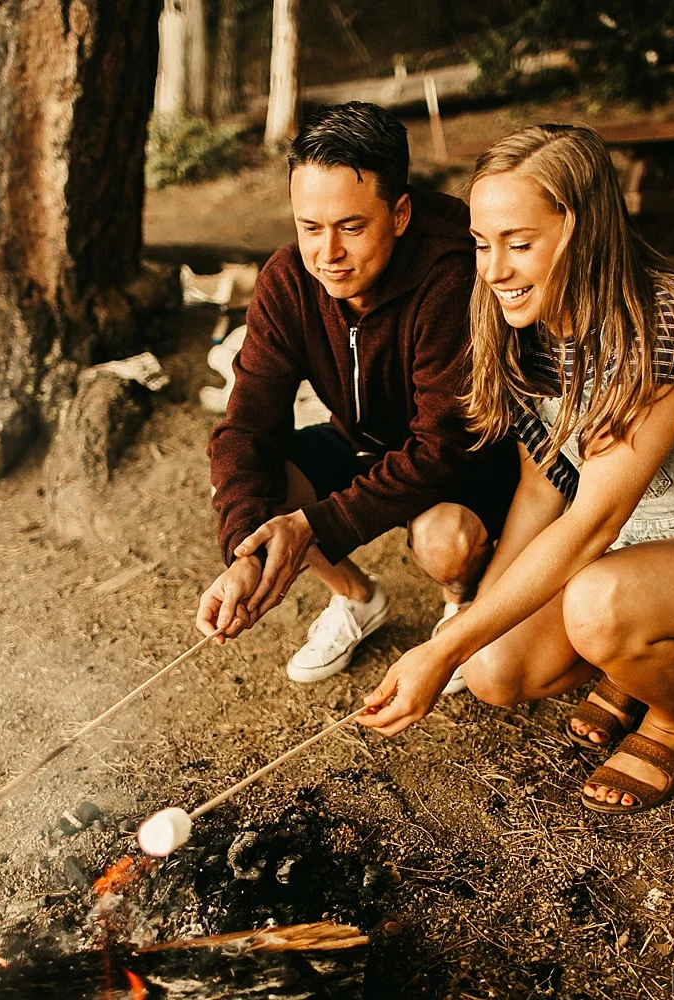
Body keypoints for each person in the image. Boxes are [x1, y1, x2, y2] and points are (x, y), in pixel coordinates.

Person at [358, 124, 674, 814]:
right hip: (615, 551)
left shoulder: (666, 318)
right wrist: (476, 626)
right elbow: (546, 486)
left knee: (598, 603)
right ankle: (628, 663)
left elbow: (596, 518)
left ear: (584, 230)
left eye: (520, 243)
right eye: (484, 244)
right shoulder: (516, 321)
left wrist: (442, 645)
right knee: (494, 672)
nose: (494, 270)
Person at [198, 102, 519, 689]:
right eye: (309, 227)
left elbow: (442, 447)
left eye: (351, 227)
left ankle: (459, 605)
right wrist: (246, 554)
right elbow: (245, 429)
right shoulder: (288, 279)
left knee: (444, 542)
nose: (328, 254)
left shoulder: (452, 272)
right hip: (361, 441)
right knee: (255, 489)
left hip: (462, 465)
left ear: (399, 213)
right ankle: (357, 598)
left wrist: (315, 527)